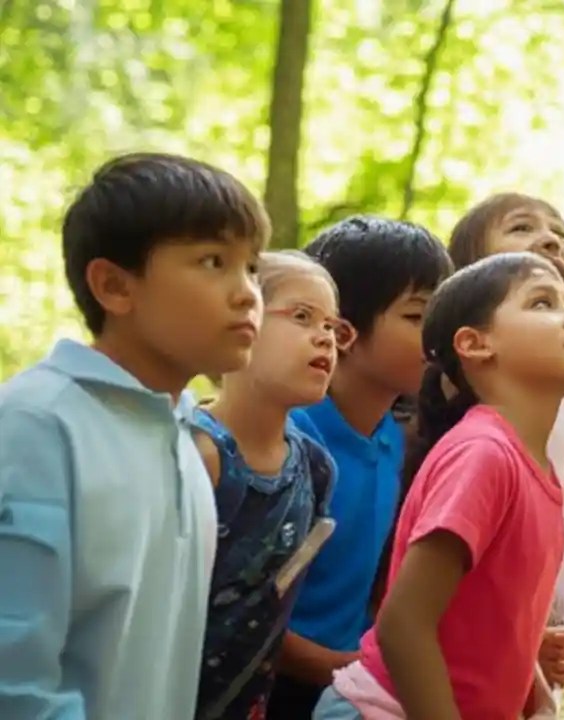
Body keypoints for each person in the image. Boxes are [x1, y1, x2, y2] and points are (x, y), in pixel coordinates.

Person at [0, 153, 266, 718]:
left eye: (253, 267)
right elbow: (14, 680)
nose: (247, 293)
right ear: (115, 286)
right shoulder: (36, 426)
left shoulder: (188, 444)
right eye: (214, 261)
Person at [311, 251, 564, 720]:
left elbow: (499, 626)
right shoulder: (484, 454)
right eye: (543, 303)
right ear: (475, 344)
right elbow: (403, 624)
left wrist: (536, 698)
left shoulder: (535, 469)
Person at [268, 217, 454, 718]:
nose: (439, 338)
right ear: (344, 331)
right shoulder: (289, 439)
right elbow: (245, 608)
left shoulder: (397, 443)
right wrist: (351, 668)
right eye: (419, 317)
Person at [445, 192, 564, 712]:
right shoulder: (472, 432)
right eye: (521, 228)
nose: (551, 238)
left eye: (560, 231)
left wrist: (550, 628)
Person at [192, 251, 345, 719]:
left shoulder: (316, 468)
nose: (326, 336)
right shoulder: (200, 454)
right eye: (303, 317)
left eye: (335, 328)